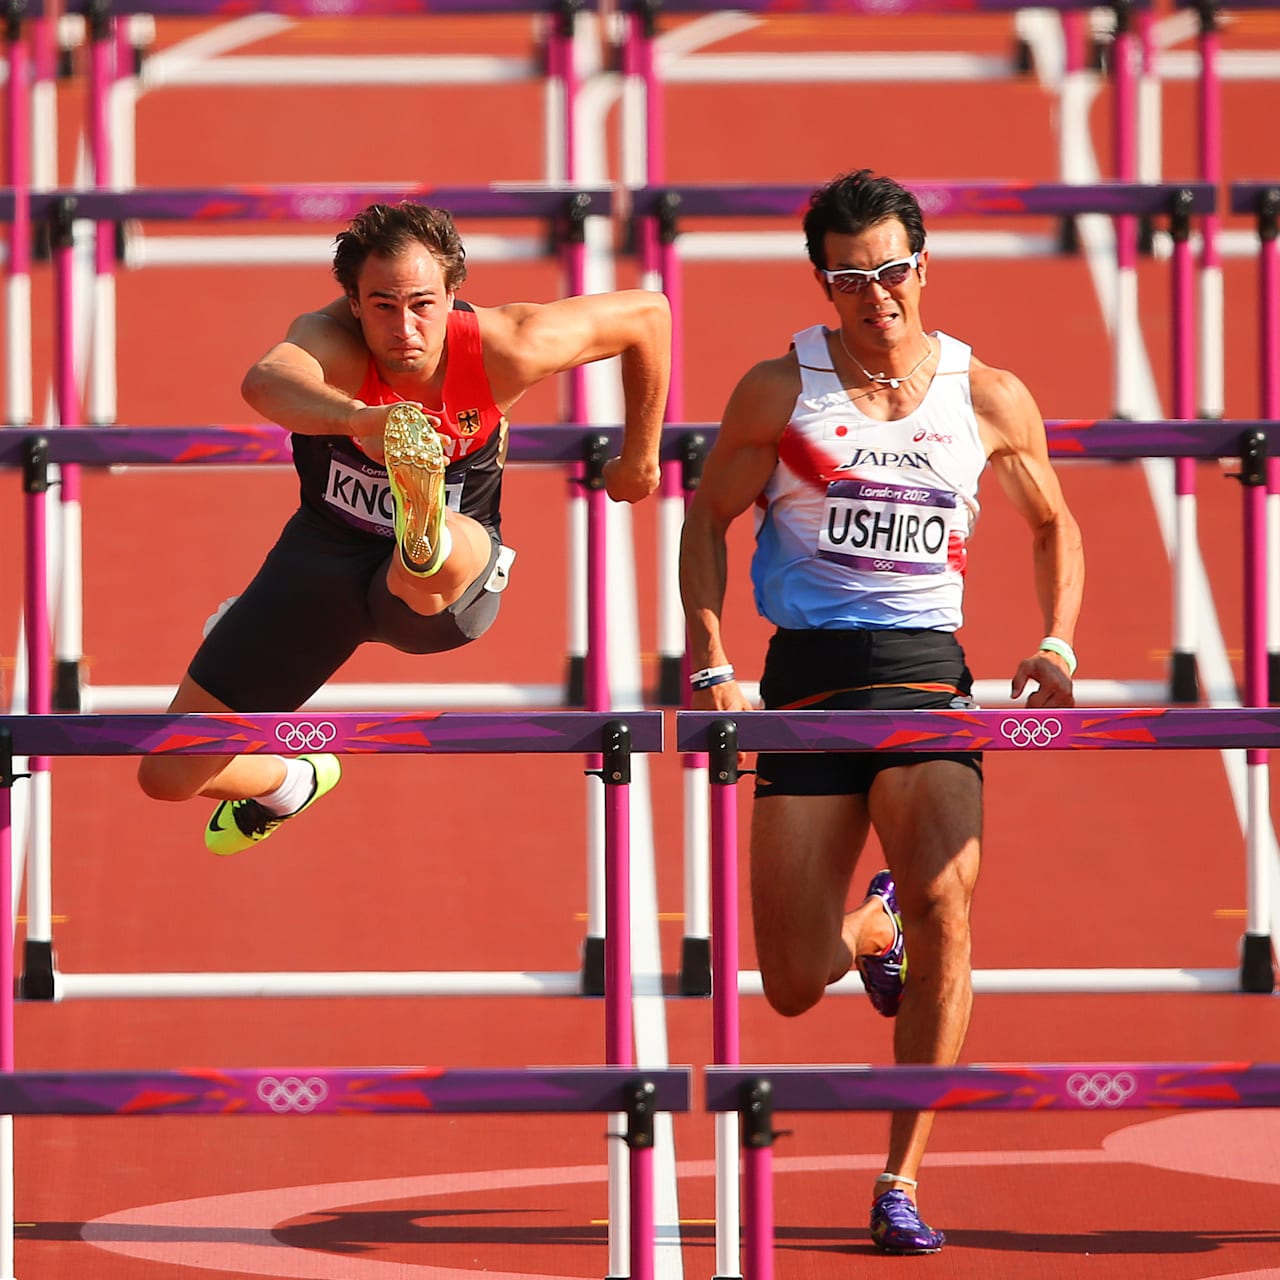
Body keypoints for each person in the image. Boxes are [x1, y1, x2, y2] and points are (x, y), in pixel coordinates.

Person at [678, 169, 1084, 1255]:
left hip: (922, 676)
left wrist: (1052, 639)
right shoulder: (779, 388)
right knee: (795, 982)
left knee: (952, 907)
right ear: (824, 282)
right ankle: (871, 926)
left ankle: (899, 1177)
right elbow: (704, 521)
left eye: (891, 270)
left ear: (921, 264)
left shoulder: (982, 392)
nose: (876, 295)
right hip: (805, 679)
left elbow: (1053, 521)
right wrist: (711, 651)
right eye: (850, 278)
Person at [138, 200, 670, 854]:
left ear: (453, 294)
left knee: (437, 556)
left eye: (422, 303)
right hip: (321, 563)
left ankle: (423, 533)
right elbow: (267, 381)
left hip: (444, 591)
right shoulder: (328, 338)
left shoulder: (510, 344)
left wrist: (641, 458)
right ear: (354, 303)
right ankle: (288, 783)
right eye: (383, 305)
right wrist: (365, 420)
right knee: (165, 773)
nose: (405, 326)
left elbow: (648, 315)